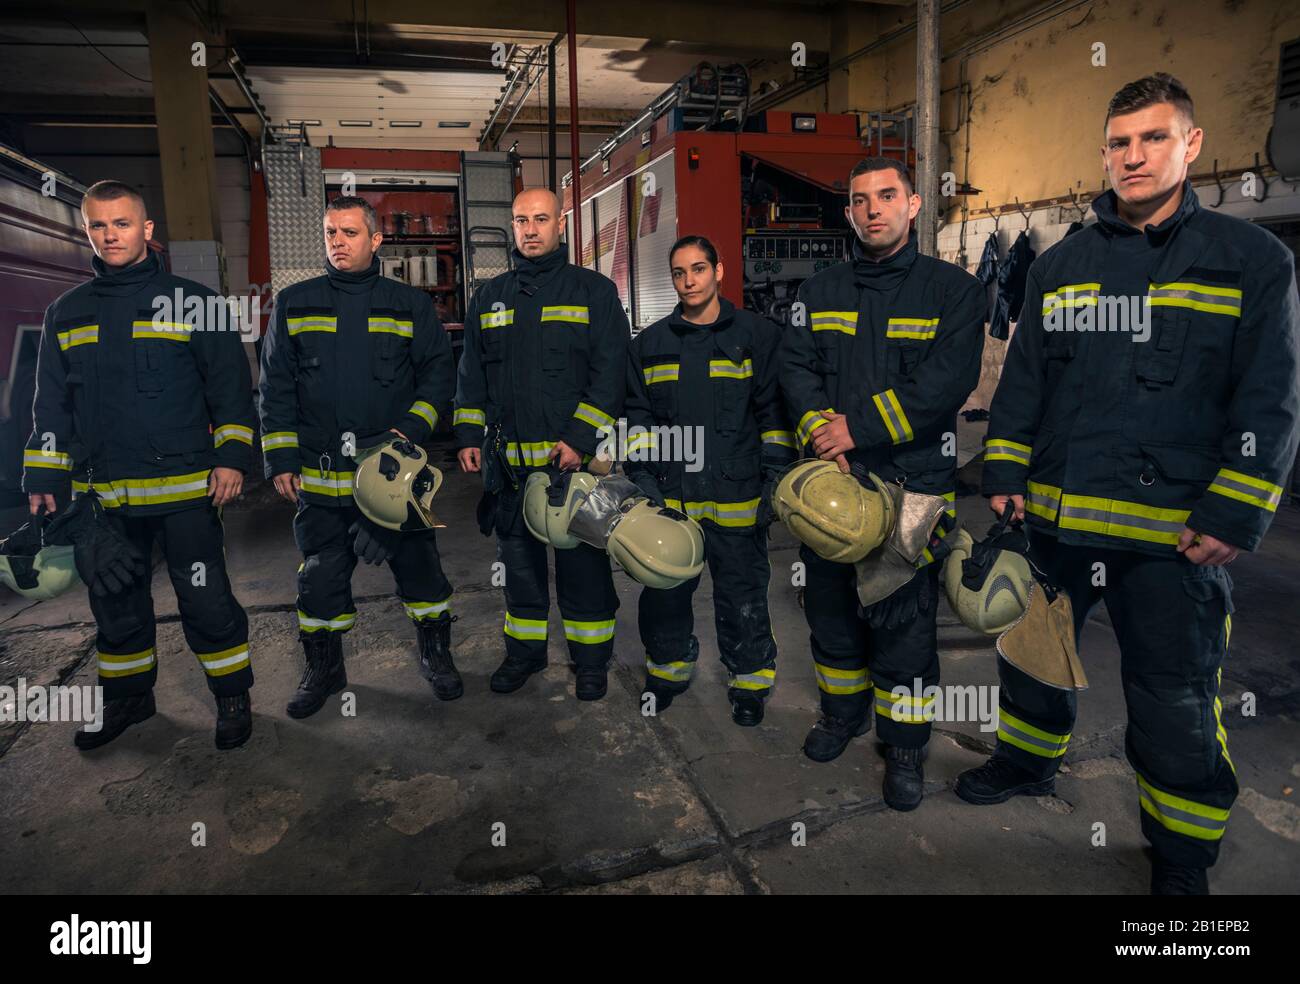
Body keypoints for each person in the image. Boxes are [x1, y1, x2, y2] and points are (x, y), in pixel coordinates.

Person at [959, 73, 1300, 894]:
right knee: (1032, 656)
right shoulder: (1064, 265)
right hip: (1058, 519)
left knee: (1172, 697)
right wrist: (1004, 467)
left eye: (1153, 138)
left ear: (1191, 144)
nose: (1134, 155)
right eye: (1119, 142)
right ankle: (1027, 762)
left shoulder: (1251, 259)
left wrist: (1235, 509)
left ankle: (1181, 853)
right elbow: (1026, 385)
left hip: (1173, 538)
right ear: (1104, 154)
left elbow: (1270, 397)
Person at [781, 158, 985, 810]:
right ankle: (842, 717)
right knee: (832, 612)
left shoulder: (953, 292)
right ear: (848, 212)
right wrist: (821, 431)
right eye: (861, 199)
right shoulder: (818, 291)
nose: (874, 209)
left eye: (887, 196)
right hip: (833, 482)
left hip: (913, 486)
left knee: (903, 624)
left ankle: (905, 746)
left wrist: (855, 430)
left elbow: (944, 385)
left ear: (915, 204)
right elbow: (796, 368)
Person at [25, 180, 255, 750]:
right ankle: (129, 700)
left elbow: (231, 390)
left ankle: (231, 696)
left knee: (205, 597)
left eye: (121, 223)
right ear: (87, 232)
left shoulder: (196, 303)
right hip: (106, 499)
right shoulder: (65, 313)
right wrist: (45, 478)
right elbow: (50, 404)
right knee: (115, 603)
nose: (110, 235)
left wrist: (231, 458)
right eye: (98, 226)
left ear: (147, 230)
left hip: (185, 493)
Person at [258, 196, 457, 718]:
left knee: (421, 574)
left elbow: (439, 375)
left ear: (376, 240)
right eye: (330, 233)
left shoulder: (409, 305)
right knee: (319, 579)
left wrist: (411, 429)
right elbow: (274, 386)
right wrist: (279, 458)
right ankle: (325, 669)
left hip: (396, 475)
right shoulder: (295, 302)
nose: (338, 242)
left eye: (349, 232)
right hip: (323, 481)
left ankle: (437, 654)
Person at [454, 188, 629, 700]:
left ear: (561, 225)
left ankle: (591, 662)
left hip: (574, 469)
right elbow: (471, 374)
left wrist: (579, 438)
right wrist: (468, 432)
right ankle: (524, 654)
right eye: (521, 220)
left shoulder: (593, 291)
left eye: (540, 219)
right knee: (520, 572)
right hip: (509, 471)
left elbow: (609, 374)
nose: (530, 230)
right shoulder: (489, 296)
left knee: (584, 569)